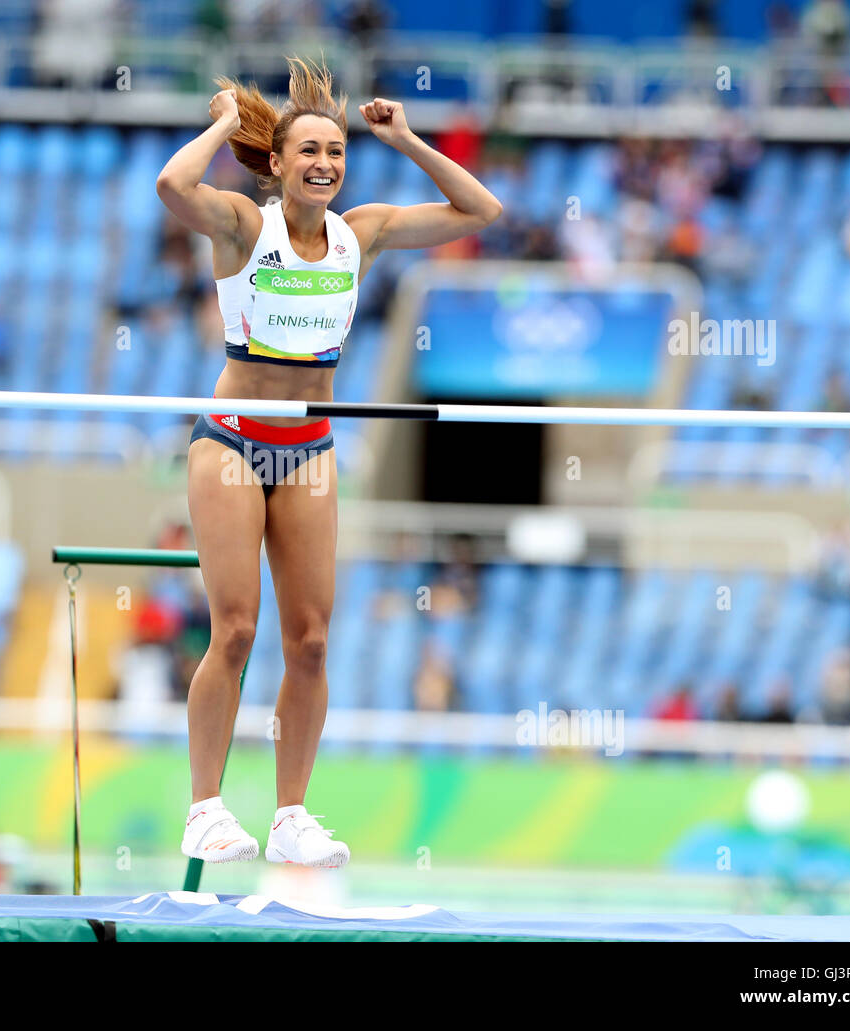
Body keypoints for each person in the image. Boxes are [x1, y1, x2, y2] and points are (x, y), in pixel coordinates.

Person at [156, 56, 501, 867]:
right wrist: (218, 123)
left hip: (309, 450)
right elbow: (173, 188)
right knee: (235, 628)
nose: (324, 165)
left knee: (310, 640)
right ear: (277, 164)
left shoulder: (363, 231)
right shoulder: (245, 224)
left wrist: (407, 138)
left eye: (336, 153)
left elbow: (480, 209)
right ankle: (205, 806)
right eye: (307, 151)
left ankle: (290, 815)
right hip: (234, 441)